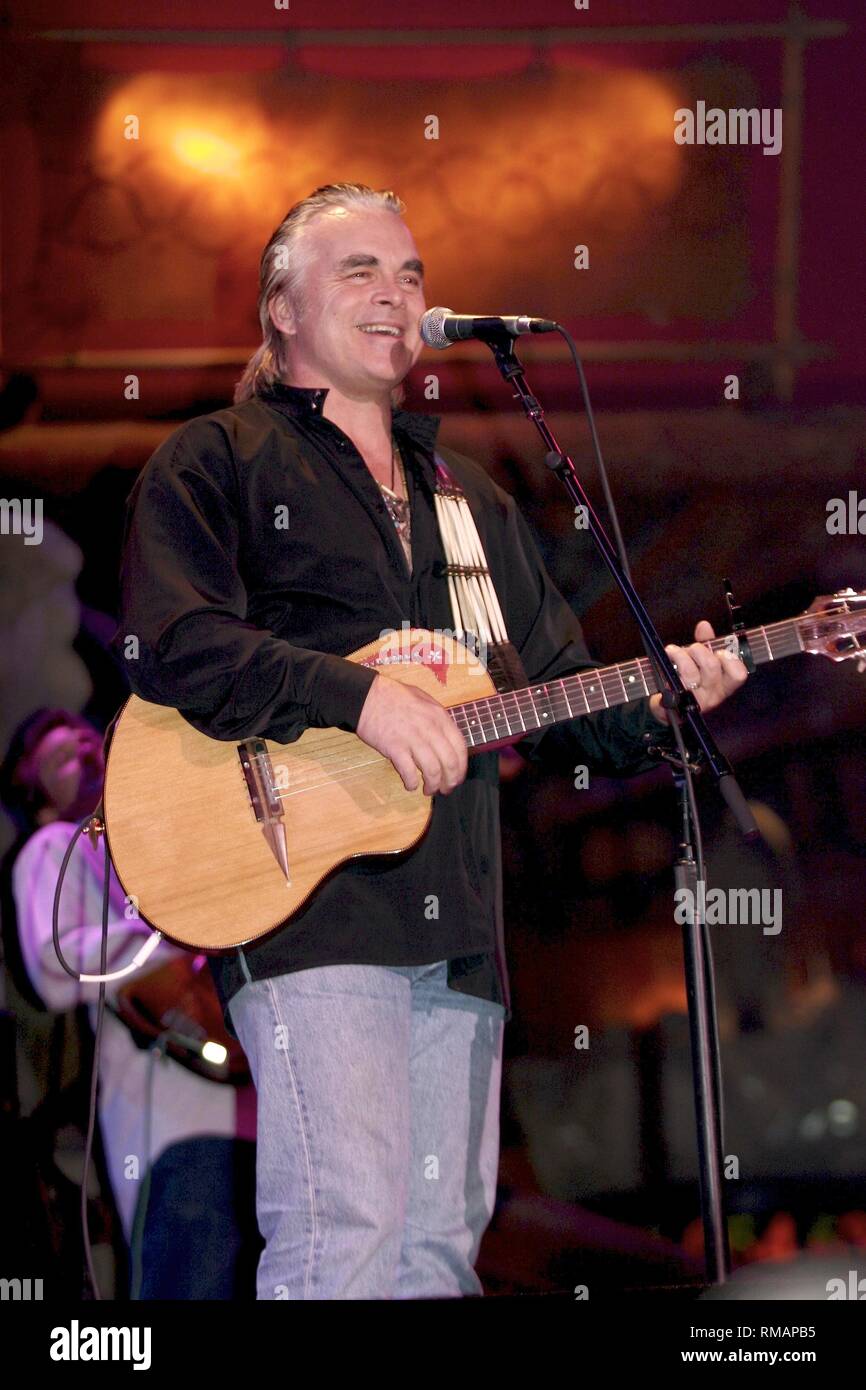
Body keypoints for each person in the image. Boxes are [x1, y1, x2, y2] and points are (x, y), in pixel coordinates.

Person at [113, 182, 748, 1299]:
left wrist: (662, 700)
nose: (397, 293)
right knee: (344, 1232)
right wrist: (354, 700)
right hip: (309, 905)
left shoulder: (473, 500)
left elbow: (553, 695)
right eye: (359, 269)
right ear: (281, 310)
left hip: (457, 919)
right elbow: (177, 644)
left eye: (409, 275)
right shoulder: (215, 462)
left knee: (436, 1254)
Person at [0, 708, 260, 1298]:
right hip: (173, 1129)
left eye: (92, 740)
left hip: (258, 1117)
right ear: (35, 792)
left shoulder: (152, 840)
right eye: (64, 755)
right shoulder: (52, 846)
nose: (90, 753)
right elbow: (54, 963)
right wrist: (171, 938)